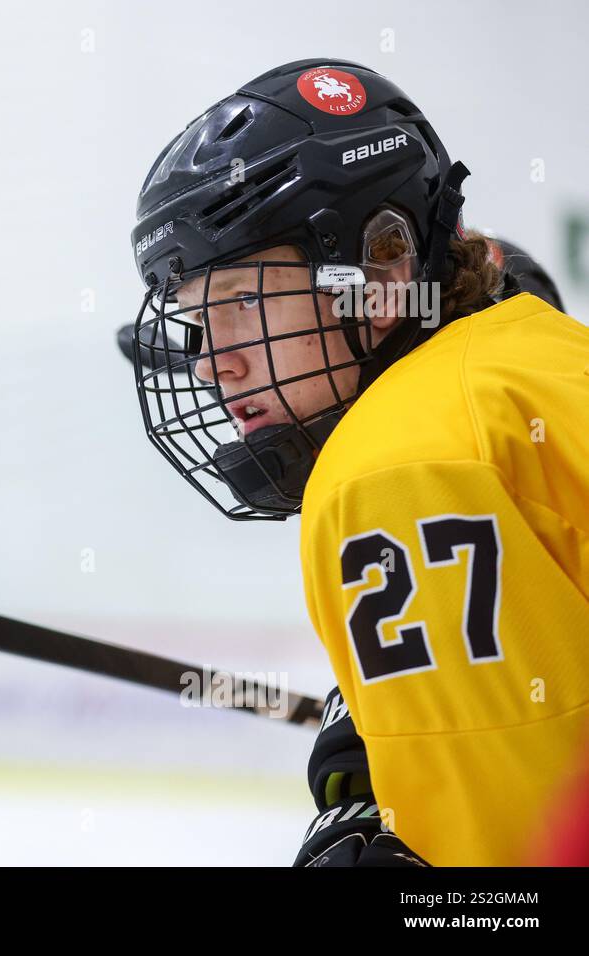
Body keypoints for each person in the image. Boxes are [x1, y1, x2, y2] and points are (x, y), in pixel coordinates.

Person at [124, 58, 589, 866]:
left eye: (239, 300)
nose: (210, 363)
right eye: (200, 322)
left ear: (383, 272)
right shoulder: (534, 364)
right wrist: (387, 746)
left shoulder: (397, 461)